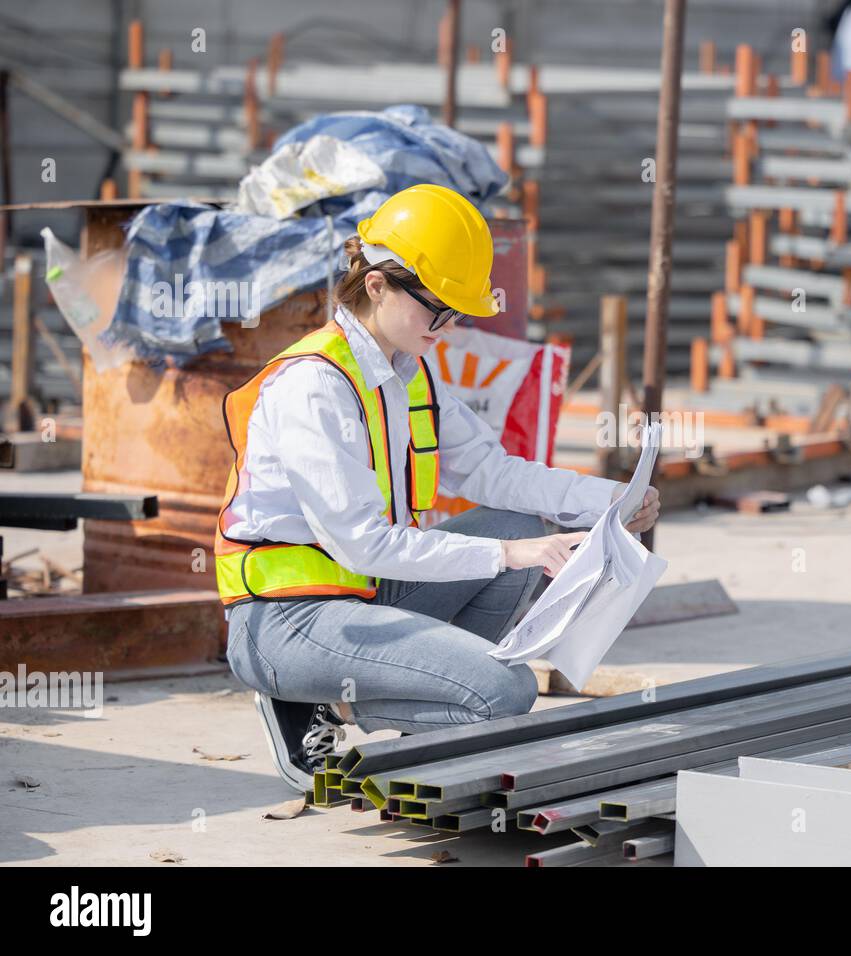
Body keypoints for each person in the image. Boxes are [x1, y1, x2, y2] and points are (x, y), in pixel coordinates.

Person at [214, 183, 661, 790]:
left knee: (515, 524)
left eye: (457, 313)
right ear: (377, 286)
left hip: (365, 599)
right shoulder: (312, 387)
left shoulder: (408, 373)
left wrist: (604, 498)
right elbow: (363, 544)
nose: (447, 326)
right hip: (287, 621)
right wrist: (507, 555)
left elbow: (492, 472)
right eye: (438, 309)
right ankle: (311, 698)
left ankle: (421, 696)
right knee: (507, 687)